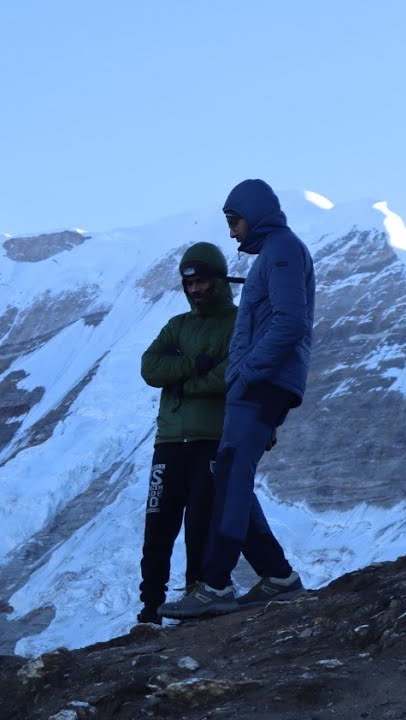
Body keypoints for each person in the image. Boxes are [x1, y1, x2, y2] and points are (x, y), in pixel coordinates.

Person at [159, 179, 314, 619]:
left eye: (235, 221)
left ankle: (215, 586)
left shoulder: (282, 251)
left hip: (262, 385)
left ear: (255, 214)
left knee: (229, 476)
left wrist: (245, 373)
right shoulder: (274, 253)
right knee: (229, 475)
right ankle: (277, 576)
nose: (232, 233)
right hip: (259, 385)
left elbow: (290, 323)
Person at [136, 241, 238, 624]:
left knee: (200, 524)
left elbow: (231, 374)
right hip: (169, 441)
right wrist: (196, 364)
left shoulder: (238, 323)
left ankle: (198, 600)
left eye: (202, 281)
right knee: (158, 525)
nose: (195, 290)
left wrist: (183, 381)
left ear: (219, 279)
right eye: (189, 283)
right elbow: (150, 368)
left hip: (211, 438)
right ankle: (150, 608)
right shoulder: (178, 325)